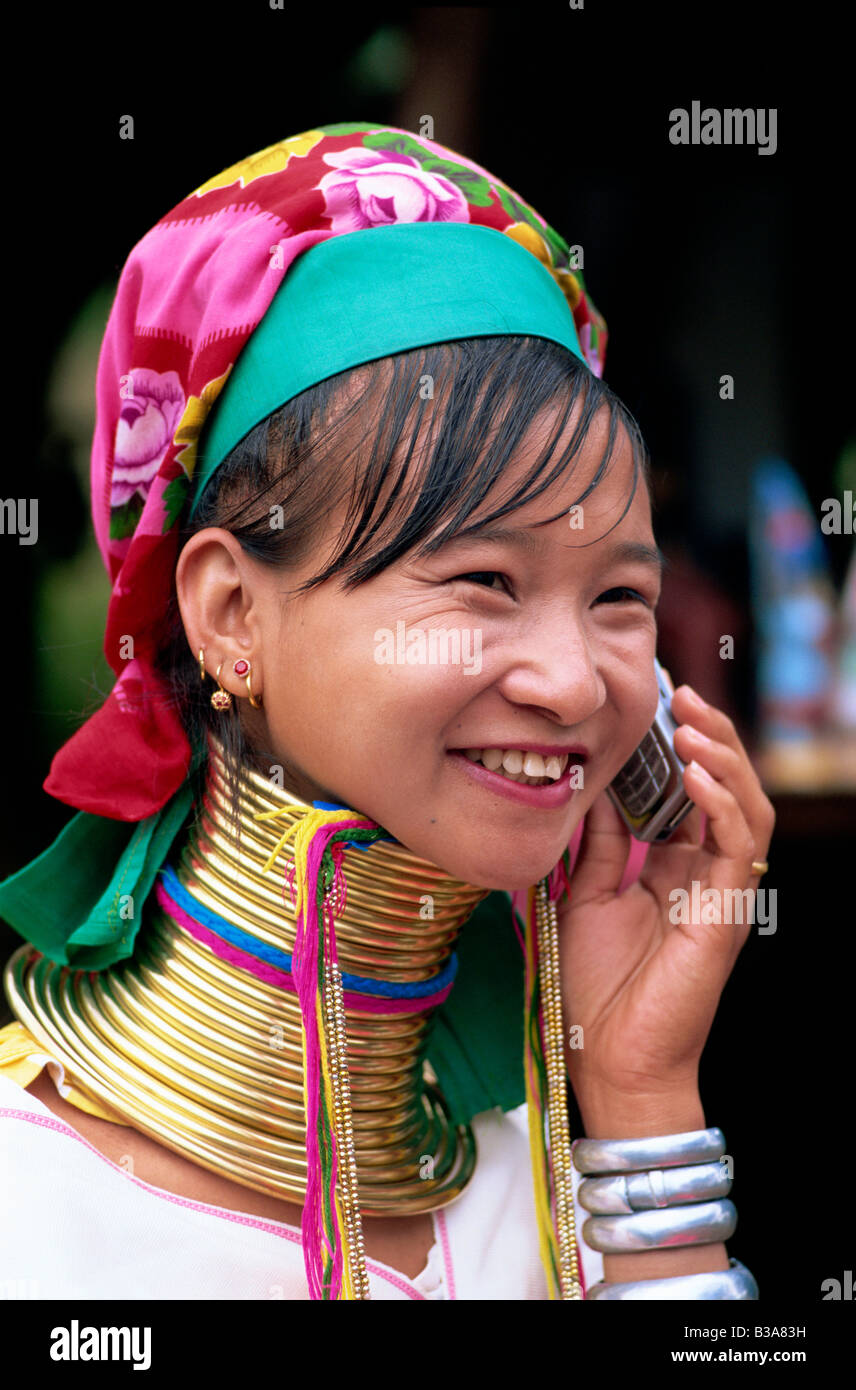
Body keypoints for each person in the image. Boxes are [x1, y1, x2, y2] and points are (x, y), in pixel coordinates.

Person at [0, 122, 773, 1301]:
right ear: (228, 615)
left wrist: (640, 1090)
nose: (574, 683)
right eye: (483, 582)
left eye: (620, 595)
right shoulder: (35, 1214)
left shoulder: (550, 1188)